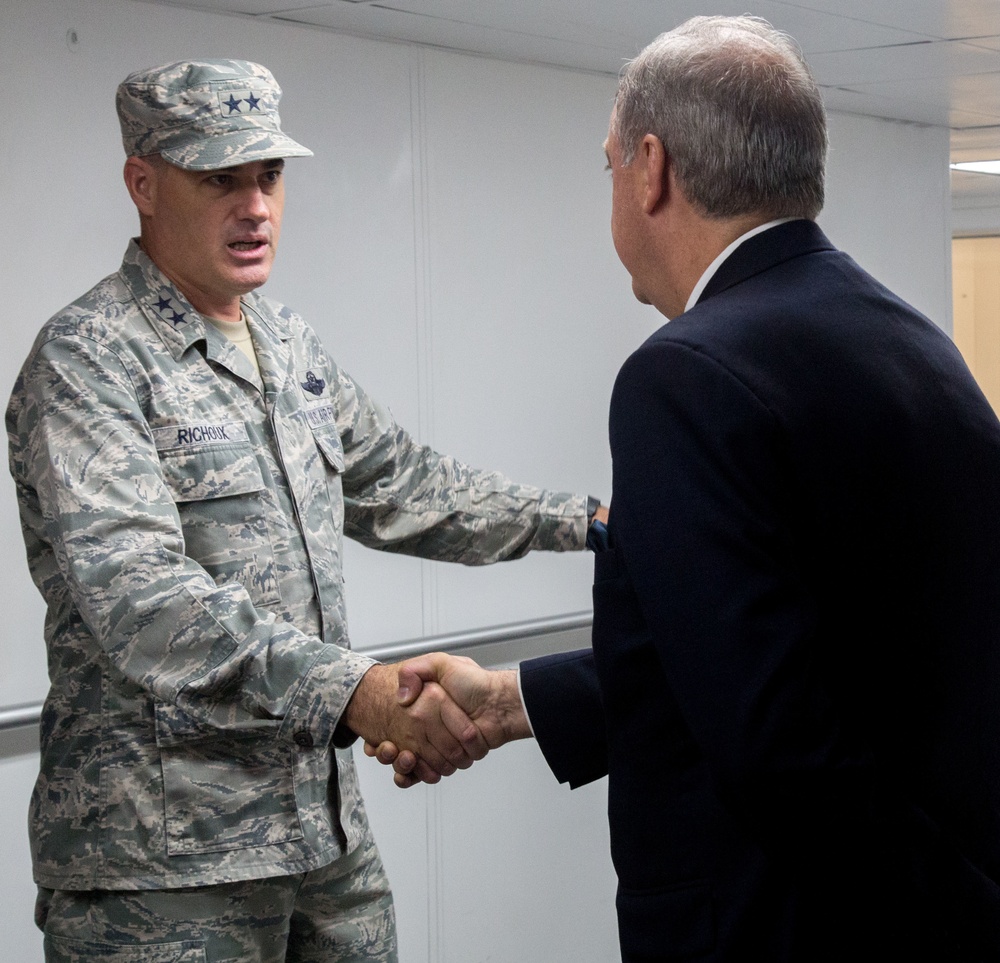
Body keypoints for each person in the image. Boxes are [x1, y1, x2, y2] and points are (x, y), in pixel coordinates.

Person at [371, 15, 1000, 962]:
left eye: (609, 163)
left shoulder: (687, 375)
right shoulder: (913, 344)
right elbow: (778, 649)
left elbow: (769, 736)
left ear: (651, 167)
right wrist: (508, 703)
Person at [6, 59, 604, 962]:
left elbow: (408, 486)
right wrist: (356, 693)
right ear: (142, 182)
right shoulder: (88, 360)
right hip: (165, 869)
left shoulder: (289, 347)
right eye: (220, 179)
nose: (256, 207)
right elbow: (146, 601)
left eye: (270, 176)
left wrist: (595, 521)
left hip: (322, 841)